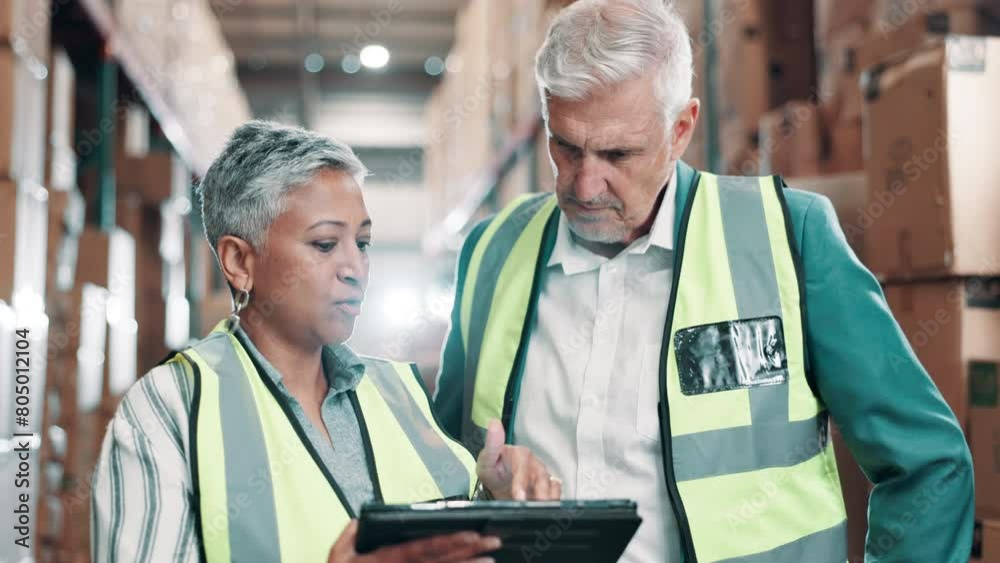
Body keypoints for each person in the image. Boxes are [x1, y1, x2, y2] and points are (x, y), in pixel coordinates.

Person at [432, 1, 974, 562]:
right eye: (566, 146)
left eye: (618, 153)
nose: (586, 184)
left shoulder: (788, 237)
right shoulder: (492, 254)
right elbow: (438, 467)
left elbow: (926, 463)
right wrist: (483, 479)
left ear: (682, 129)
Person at [91, 121, 561, 563]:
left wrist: (496, 500)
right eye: (324, 244)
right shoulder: (170, 409)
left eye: (363, 243)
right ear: (239, 261)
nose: (354, 267)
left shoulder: (398, 393)